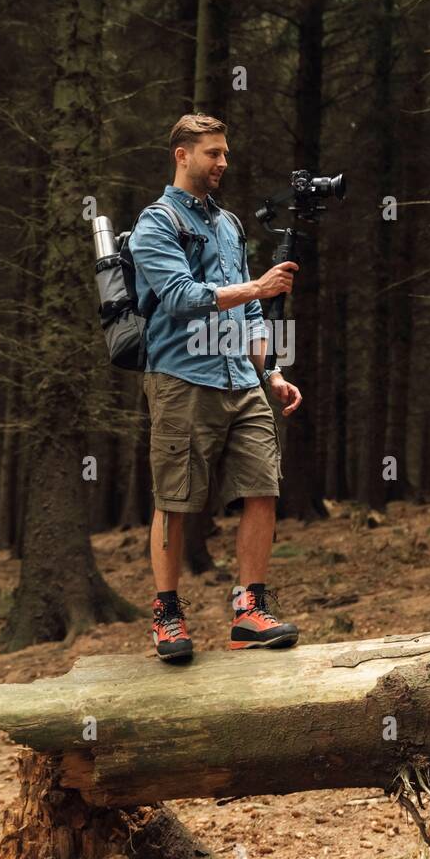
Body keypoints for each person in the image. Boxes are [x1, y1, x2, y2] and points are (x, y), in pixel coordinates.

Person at [129, 112, 302, 661]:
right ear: (182, 155)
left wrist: (272, 372)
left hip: (240, 377)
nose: (223, 163)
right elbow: (180, 296)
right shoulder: (156, 223)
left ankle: (249, 610)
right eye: (213, 153)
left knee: (262, 487)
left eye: (225, 153)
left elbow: (251, 310)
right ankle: (167, 617)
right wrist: (257, 284)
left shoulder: (228, 225)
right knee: (175, 500)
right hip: (181, 376)